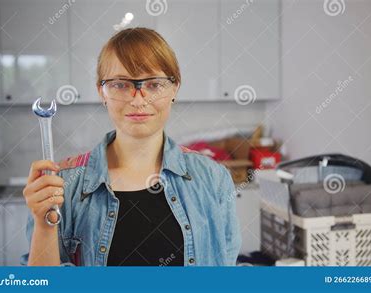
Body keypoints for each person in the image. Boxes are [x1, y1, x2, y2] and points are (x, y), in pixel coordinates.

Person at [21, 27, 241, 266]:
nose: (138, 99)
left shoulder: (213, 178)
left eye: (154, 84)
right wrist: (44, 223)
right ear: (101, 92)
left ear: (174, 88)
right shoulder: (63, 185)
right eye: (121, 85)